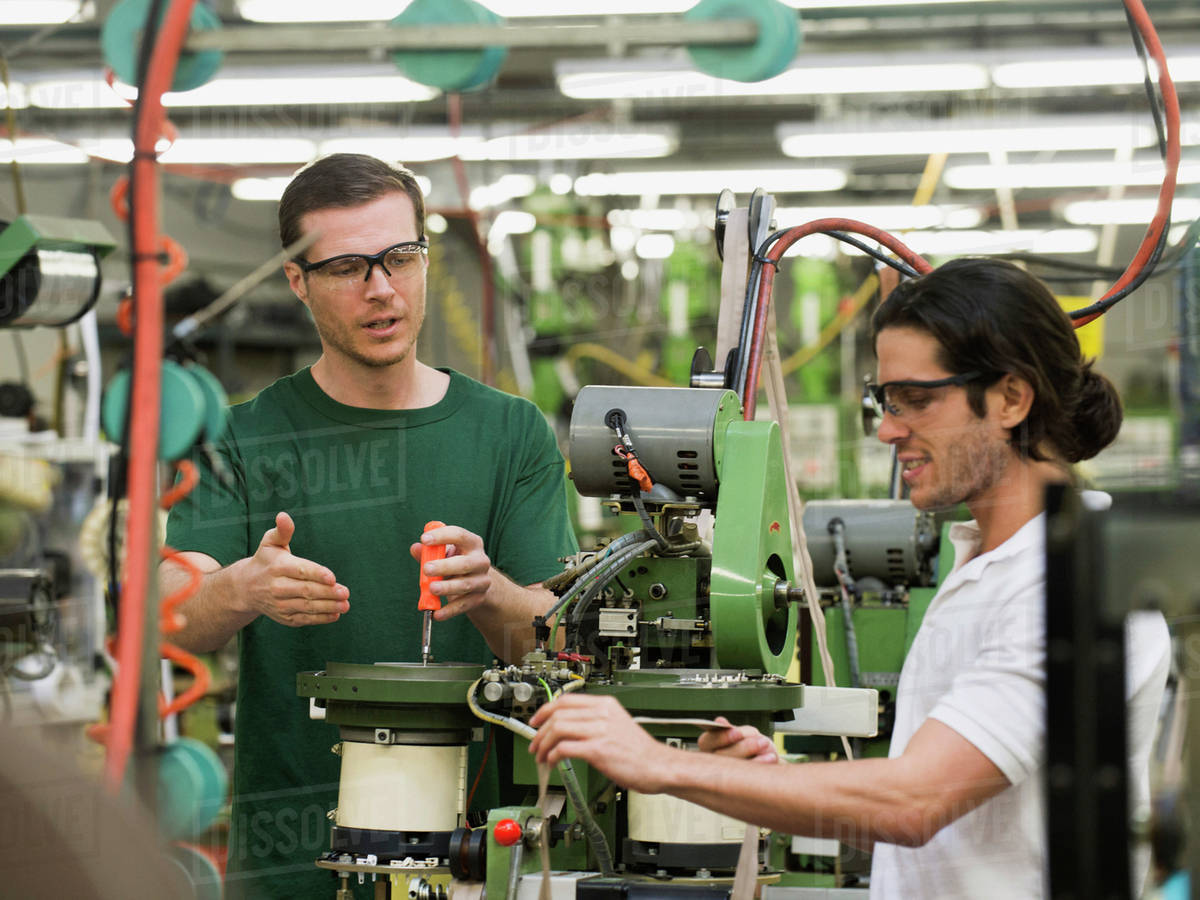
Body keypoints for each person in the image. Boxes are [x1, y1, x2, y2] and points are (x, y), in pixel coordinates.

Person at [529, 258, 1171, 899]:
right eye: (884, 402)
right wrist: (763, 783)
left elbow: (918, 801)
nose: (888, 429)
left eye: (917, 400)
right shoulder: (986, 564)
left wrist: (660, 764)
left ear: (1011, 398)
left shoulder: (1073, 584)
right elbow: (936, 818)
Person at [161, 153, 577, 899]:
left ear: (426, 258)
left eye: (400, 258)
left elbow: (560, 649)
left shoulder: (511, 433)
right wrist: (243, 587)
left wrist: (488, 591)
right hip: (293, 869)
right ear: (298, 281)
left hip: (476, 863)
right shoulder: (239, 439)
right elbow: (166, 614)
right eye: (348, 267)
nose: (381, 288)